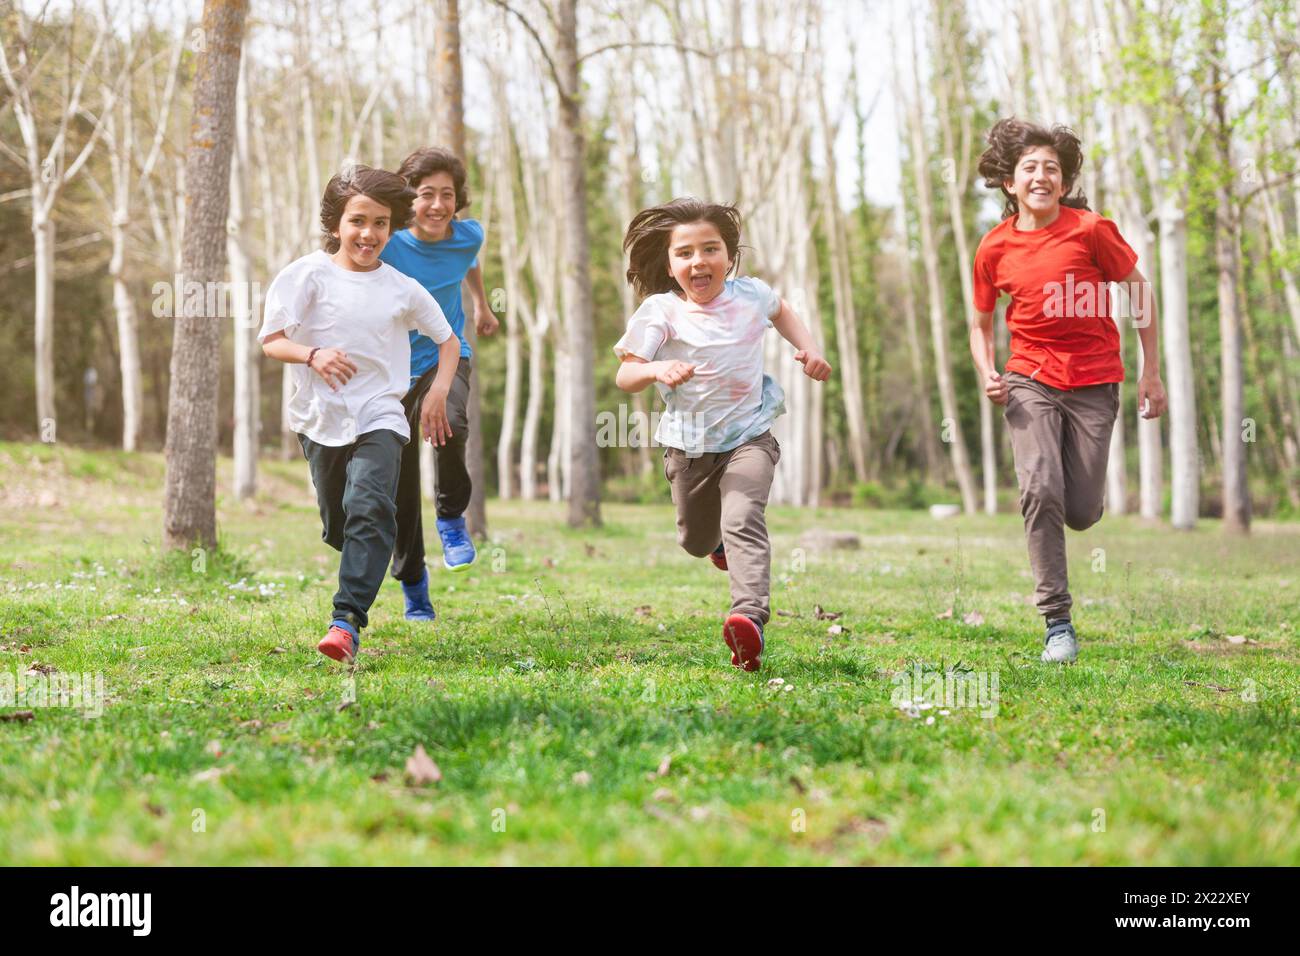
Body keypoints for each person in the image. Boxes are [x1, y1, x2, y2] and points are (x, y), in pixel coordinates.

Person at [969, 118, 1167, 664]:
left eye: (1051, 168)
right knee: (1039, 489)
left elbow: (1140, 293)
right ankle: (1058, 622)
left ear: (1063, 180)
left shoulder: (1092, 230)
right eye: (1029, 167)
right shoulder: (993, 248)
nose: (1041, 176)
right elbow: (981, 323)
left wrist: (1151, 372)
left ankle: (1075, 505)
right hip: (1028, 377)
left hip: (1094, 381)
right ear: (1009, 182)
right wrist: (988, 368)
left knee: (1079, 510)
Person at [614, 198, 831, 673]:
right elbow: (625, 377)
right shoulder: (661, 311)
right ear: (670, 266)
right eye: (685, 253)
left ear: (728, 256)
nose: (699, 261)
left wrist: (809, 349)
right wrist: (656, 368)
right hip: (689, 447)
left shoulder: (750, 295)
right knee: (695, 539)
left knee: (743, 517)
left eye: (711, 249)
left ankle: (747, 617)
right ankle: (714, 547)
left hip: (749, 436)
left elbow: (783, 311)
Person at [260, 165, 460, 663]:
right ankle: (367, 549)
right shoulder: (306, 274)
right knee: (341, 525)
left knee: (371, 509)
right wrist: (312, 354)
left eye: (380, 224)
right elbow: (271, 341)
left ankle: (345, 621)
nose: (368, 234)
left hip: (381, 414)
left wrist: (436, 392)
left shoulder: (401, 287)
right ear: (336, 224)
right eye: (358, 221)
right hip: (319, 417)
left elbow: (449, 341)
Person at [380, 147, 497, 621]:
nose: (437, 205)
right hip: (390, 372)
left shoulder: (469, 235)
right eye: (426, 194)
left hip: (447, 356)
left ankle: (451, 517)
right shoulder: (389, 243)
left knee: (451, 421)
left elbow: (469, 261)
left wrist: (482, 306)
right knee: (400, 486)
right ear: (409, 199)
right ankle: (414, 588)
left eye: (447, 195)